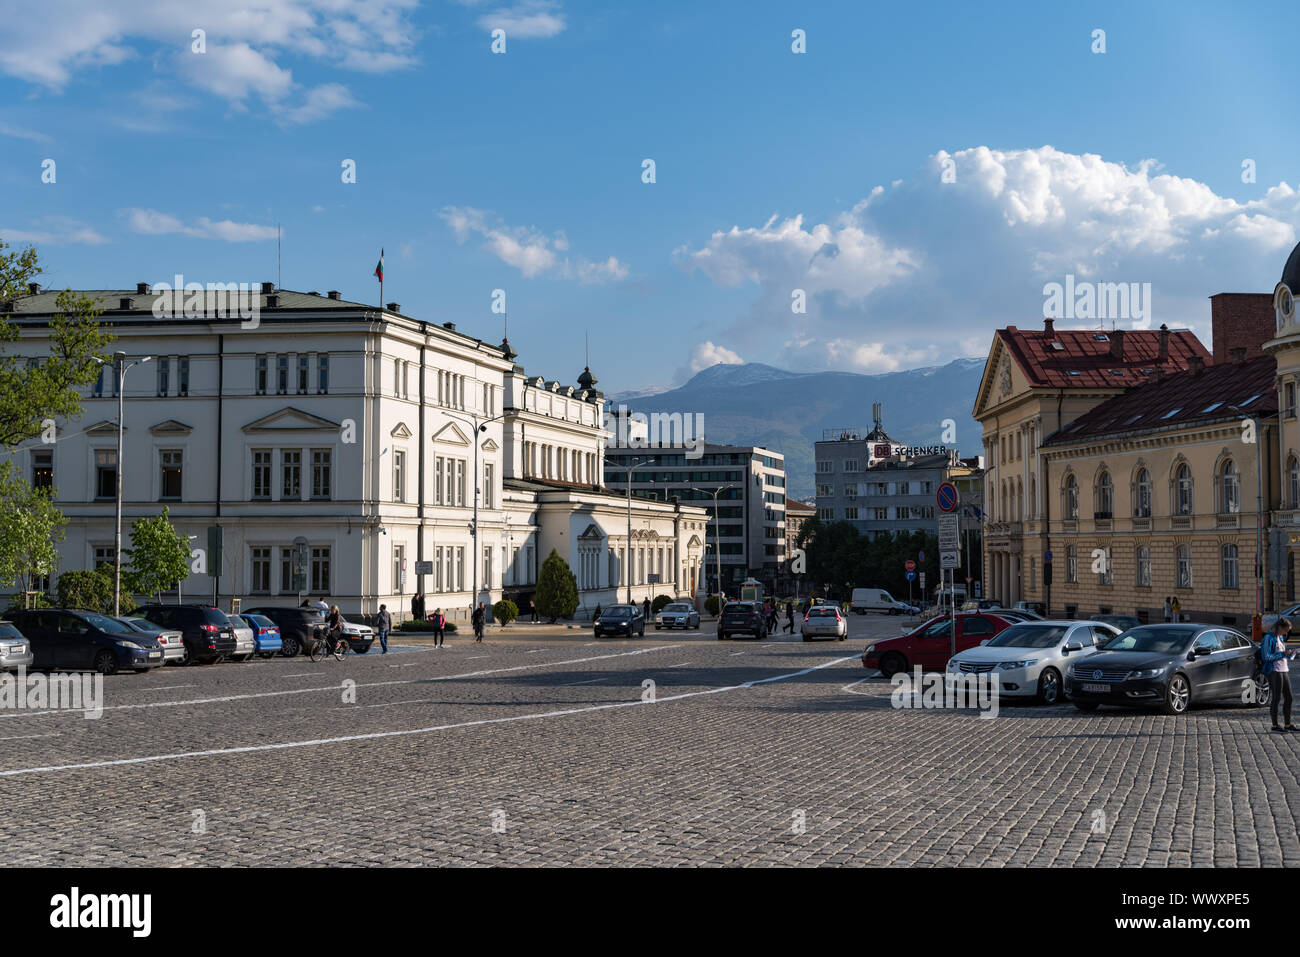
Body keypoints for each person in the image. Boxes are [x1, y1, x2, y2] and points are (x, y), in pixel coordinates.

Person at [1261, 618, 1296, 732]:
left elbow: (1281, 654)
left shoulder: (1280, 637)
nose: (1286, 633)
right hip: (1274, 670)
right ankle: (1274, 725)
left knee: (1289, 697)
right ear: (1279, 627)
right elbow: (1266, 656)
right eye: (1285, 630)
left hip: (1283, 669)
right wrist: (1282, 654)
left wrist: (1290, 653)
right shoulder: (1268, 638)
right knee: (1276, 698)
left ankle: (1287, 724)